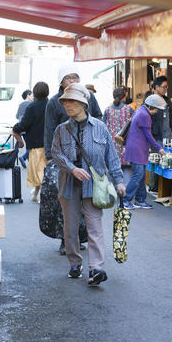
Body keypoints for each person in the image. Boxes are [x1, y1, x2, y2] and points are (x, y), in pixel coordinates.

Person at [52, 83, 125, 286]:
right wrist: (72, 168)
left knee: (95, 227)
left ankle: (96, 268)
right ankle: (75, 263)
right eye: (65, 101)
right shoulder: (61, 130)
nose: (67, 104)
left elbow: (111, 156)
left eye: (72, 101)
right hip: (68, 185)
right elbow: (56, 154)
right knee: (70, 228)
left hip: (95, 186)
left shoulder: (100, 128)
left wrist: (119, 181)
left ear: (84, 104)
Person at [44, 72, 82, 254]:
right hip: (62, 160)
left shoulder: (86, 98)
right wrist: (49, 155)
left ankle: (80, 238)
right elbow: (49, 128)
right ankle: (63, 240)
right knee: (64, 202)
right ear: (61, 81)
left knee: (85, 202)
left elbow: (98, 119)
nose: (73, 81)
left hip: (84, 160)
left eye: (76, 78)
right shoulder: (54, 102)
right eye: (69, 78)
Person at [123, 94, 167, 209]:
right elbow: (148, 135)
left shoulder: (140, 111)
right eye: (156, 109)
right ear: (151, 106)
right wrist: (159, 148)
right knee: (138, 175)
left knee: (141, 176)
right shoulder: (144, 115)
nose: (156, 111)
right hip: (137, 149)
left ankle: (140, 200)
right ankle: (126, 200)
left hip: (136, 147)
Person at [12, 82, 49, 202]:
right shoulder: (52, 104)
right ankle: (36, 195)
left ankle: (42, 197)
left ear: (35, 92)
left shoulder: (32, 107)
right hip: (51, 144)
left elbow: (24, 123)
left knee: (39, 172)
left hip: (36, 144)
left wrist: (15, 129)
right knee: (45, 170)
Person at [103, 87, 133, 166]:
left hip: (112, 148)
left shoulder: (107, 110)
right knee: (127, 175)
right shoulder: (129, 109)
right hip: (126, 146)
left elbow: (104, 129)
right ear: (124, 97)